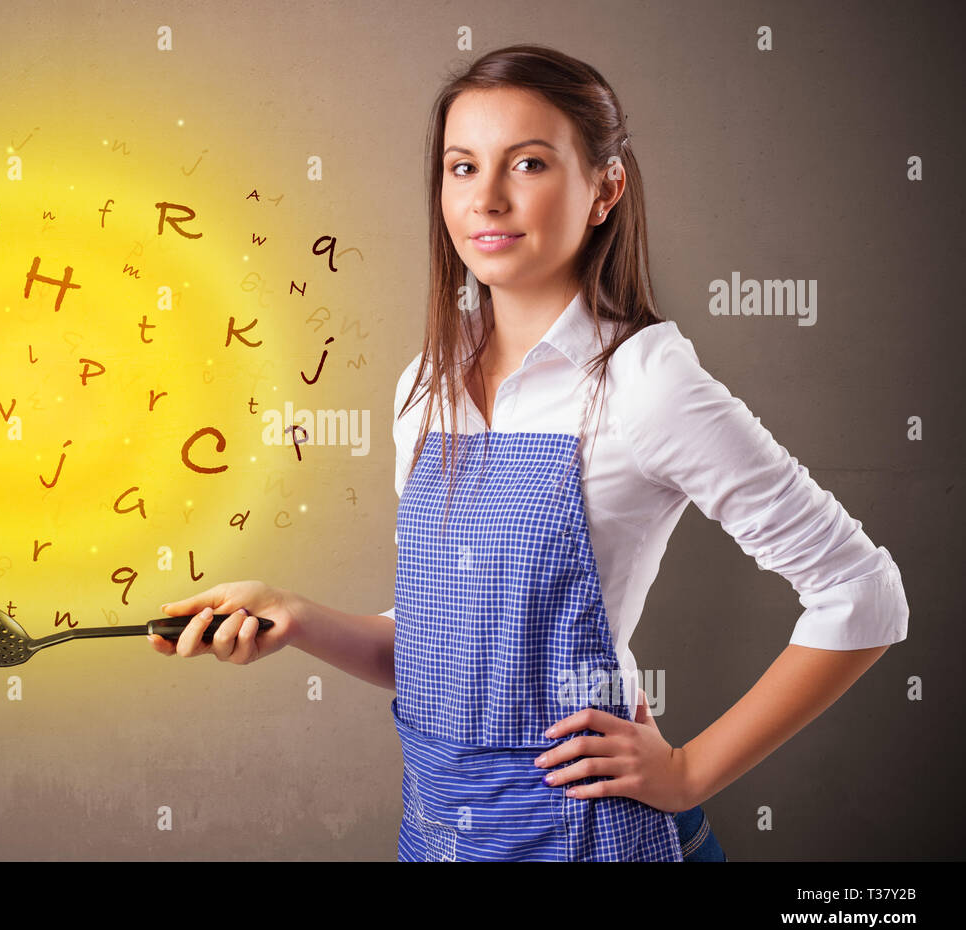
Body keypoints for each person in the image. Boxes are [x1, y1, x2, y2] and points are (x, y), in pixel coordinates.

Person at [147, 44, 910, 862]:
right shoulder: (424, 386)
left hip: (590, 841)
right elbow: (450, 653)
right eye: (463, 167)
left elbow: (862, 593)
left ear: (604, 189)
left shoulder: (644, 381)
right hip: (442, 838)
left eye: (530, 164)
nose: (489, 199)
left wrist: (688, 774)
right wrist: (292, 618)